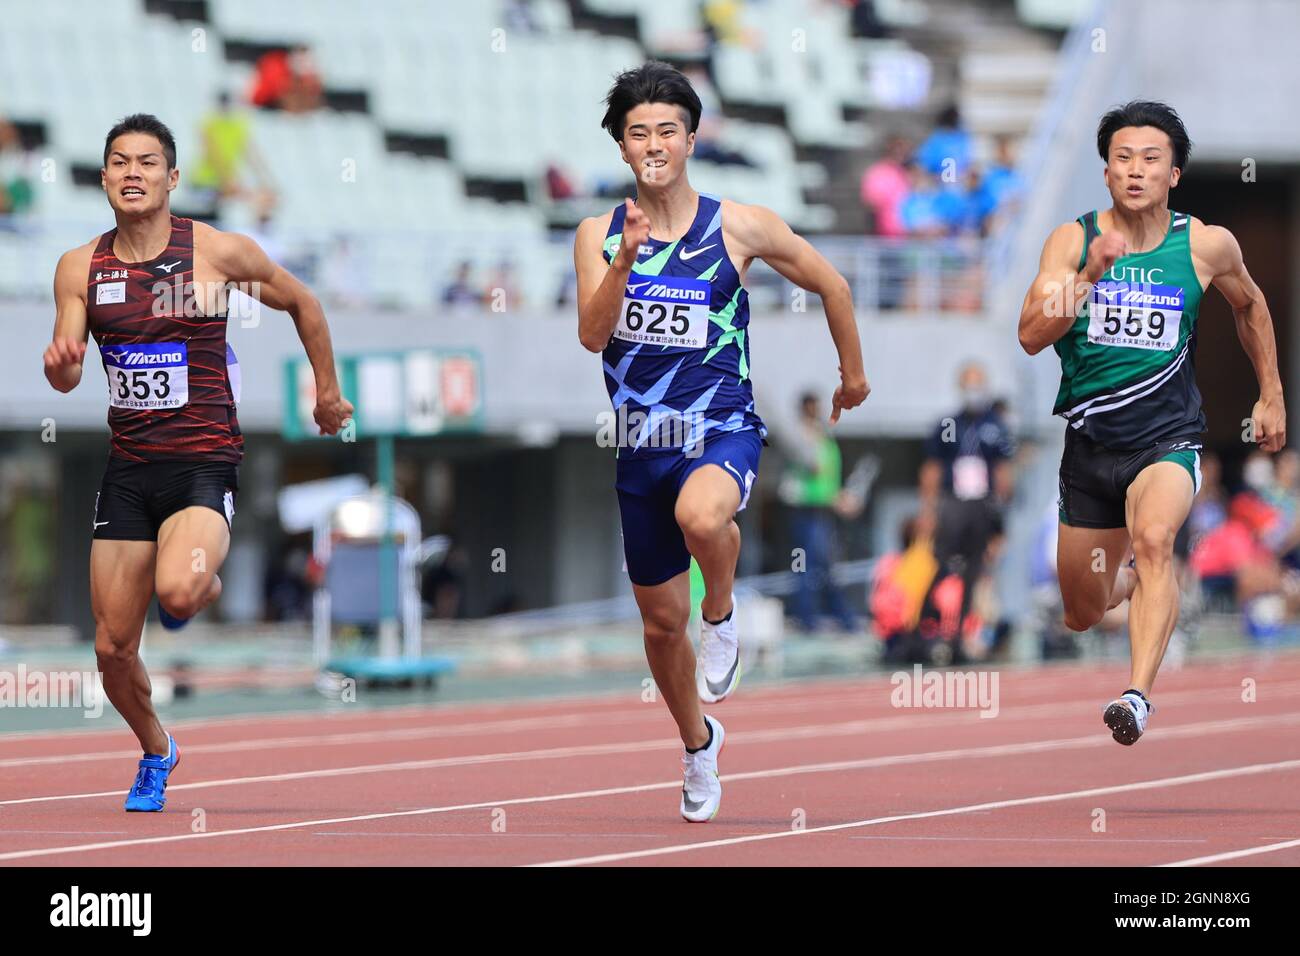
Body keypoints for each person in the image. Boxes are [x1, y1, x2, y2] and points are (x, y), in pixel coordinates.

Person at [573, 62, 869, 822]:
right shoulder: (597, 235)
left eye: (667, 130)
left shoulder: (739, 225)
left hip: (721, 427)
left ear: (692, 139)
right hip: (641, 447)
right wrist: (630, 258)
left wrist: (853, 376)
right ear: (622, 149)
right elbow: (591, 334)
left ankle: (725, 612)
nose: (653, 143)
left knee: (705, 520)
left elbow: (832, 284)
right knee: (658, 626)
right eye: (638, 133)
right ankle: (698, 745)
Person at [42, 114, 353, 811]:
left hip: (202, 463)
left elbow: (302, 300)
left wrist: (328, 394)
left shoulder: (214, 254)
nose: (132, 173)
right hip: (129, 471)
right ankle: (158, 749)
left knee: (179, 593)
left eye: (147, 163)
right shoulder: (79, 268)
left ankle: (201, 587)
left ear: (173, 178)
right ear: (102, 178)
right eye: (118, 162)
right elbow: (65, 370)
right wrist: (62, 365)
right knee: (111, 651)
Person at [1018, 100, 1286, 745]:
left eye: (1150, 159)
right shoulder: (1071, 239)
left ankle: (1136, 697)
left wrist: (1271, 393)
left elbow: (1250, 307)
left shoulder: (1206, 244)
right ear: (1106, 172)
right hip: (1089, 446)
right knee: (1083, 610)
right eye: (1122, 159)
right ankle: (1133, 583)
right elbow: (1031, 334)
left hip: (1166, 439)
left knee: (1158, 538)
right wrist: (1088, 276)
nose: (1135, 170)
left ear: (1175, 174)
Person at [918, 361, 1016, 663]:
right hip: (953, 501)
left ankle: (960, 635)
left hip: (981, 503)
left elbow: (1003, 470)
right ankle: (924, 629)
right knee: (941, 564)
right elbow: (932, 468)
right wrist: (929, 509)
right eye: (969, 383)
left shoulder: (995, 426)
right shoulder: (948, 424)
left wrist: (1000, 516)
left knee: (974, 571)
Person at [779, 391, 857, 633]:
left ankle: (835, 617)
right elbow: (811, 468)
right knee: (808, 565)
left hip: (822, 509)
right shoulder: (800, 436)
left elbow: (827, 475)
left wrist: (837, 496)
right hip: (807, 510)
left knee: (823, 565)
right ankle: (810, 618)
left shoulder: (823, 435)